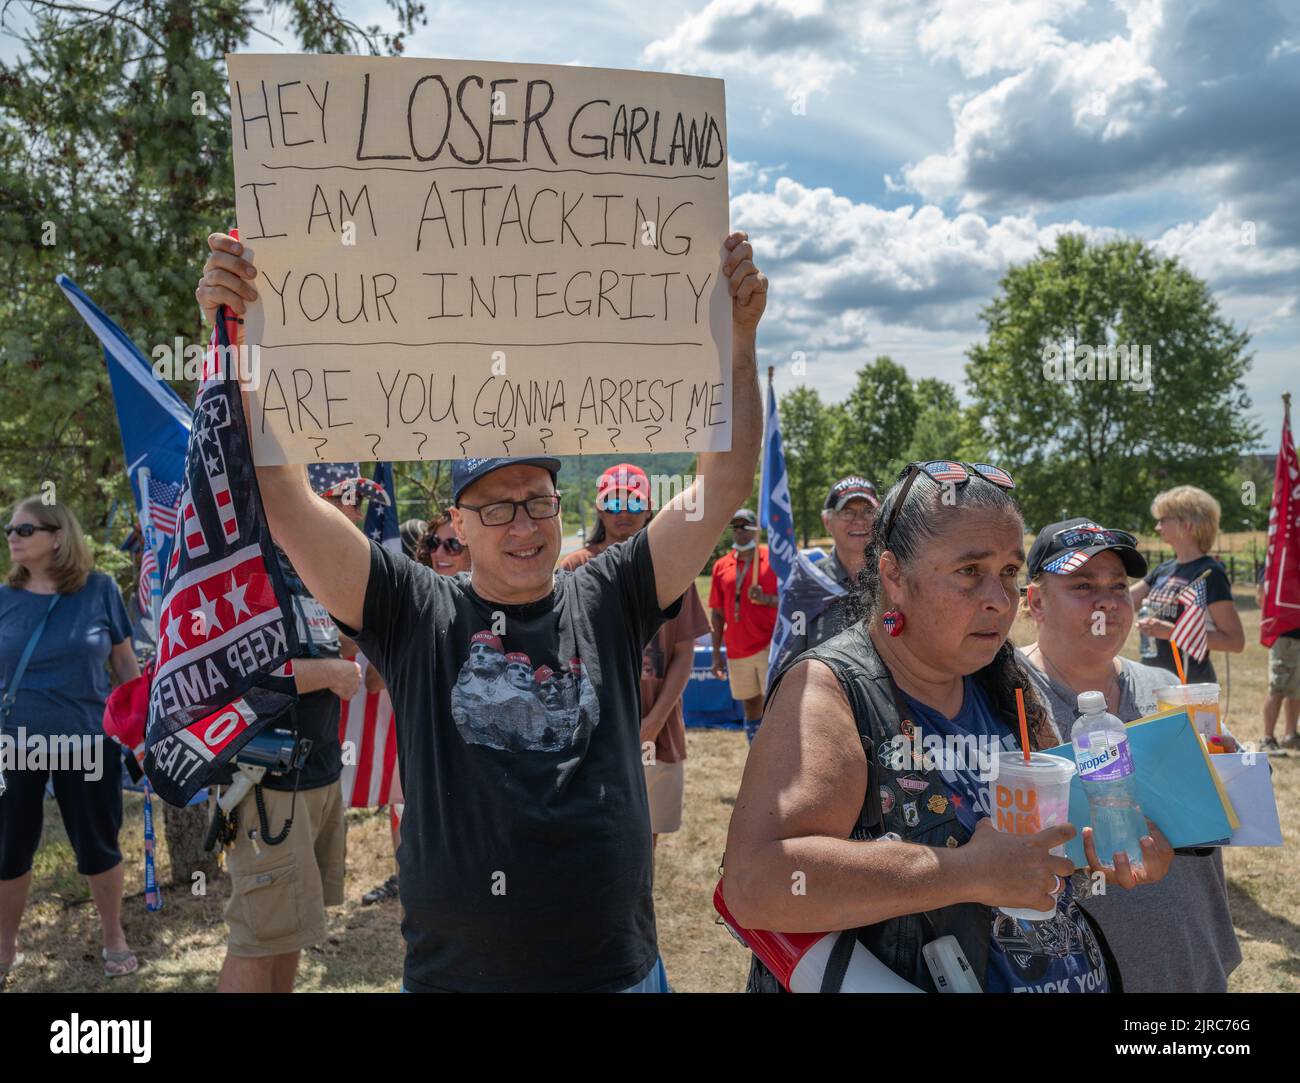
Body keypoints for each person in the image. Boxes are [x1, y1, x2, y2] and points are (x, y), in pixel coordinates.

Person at [195, 227, 767, 992]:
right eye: (495, 509)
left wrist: (736, 340)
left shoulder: (613, 591)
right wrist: (240, 339)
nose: (524, 526)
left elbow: (723, 481)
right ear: (455, 526)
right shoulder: (410, 608)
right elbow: (284, 497)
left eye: (535, 500)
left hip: (616, 973)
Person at [722, 462, 1172, 994]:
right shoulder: (831, 689)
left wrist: (1112, 849)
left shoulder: (1006, 681)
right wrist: (964, 873)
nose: (999, 601)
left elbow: (1050, 845)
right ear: (894, 576)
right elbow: (757, 884)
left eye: (1007, 571)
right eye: (968, 572)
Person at [1019, 517, 1240, 992]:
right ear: (1036, 601)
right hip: (1078, 977)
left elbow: (1218, 827)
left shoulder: (1167, 690)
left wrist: (1233, 776)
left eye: (1118, 586)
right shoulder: (1003, 697)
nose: (1107, 602)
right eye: (1082, 585)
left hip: (1194, 965)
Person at [215, 463, 369, 993]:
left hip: (318, 771)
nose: (356, 515)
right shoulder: (252, 569)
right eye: (347, 501)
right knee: (257, 937)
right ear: (309, 500)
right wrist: (330, 673)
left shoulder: (317, 570)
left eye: (361, 505)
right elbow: (234, 679)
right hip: (266, 779)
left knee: (290, 927)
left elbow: (335, 649)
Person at [0, 497, 140, 982]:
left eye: (23, 528)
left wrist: (138, 730)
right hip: (13, 746)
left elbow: (124, 667)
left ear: (58, 536)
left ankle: (113, 936)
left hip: (88, 742)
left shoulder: (100, 591)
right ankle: (4, 948)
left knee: (99, 845)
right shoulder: (4, 599)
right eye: (9, 530)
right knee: (8, 848)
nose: (12, 536)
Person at [560, 464, 711, 860]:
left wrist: (655, 721)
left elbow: (682, 652)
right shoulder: (573, 568)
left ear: (649, 509)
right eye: (612, 500)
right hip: (589, 727)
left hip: (655, 729)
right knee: (588, 834)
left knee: (645, 836)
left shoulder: (672, 568)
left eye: (633, 500)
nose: (622, 510)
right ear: (598, 508)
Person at [361, 509, 471, 907]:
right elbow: (374, 681)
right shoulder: (414, 603)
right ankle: (407, 880)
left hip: (472, 753)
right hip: (418, 740)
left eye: (453, 544)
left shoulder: (494, 603)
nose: (440, 552)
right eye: (432, 544)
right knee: (407, 815)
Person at [1131, 485, 1244, 684]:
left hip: (1191, 685)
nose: (1157, 527)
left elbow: (1235, 641)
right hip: (1153, 682)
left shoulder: (1210, 573)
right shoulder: (1162, 569)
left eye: (1163, 520)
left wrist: (1172, 633)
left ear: (1187, 524)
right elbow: (1126, 600)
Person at [780, 475, 879, 661]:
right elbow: (791, 660)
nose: (859, 520)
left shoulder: (896, 577)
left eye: (868, 511)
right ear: (827, 522)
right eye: (847, 511)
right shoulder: (805, 584)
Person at [709, 508, 778, 741]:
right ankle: (755, 751)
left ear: (756, 530)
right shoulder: (721, 566)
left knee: (776, 703)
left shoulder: (773, 558)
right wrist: (716, 654)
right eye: (735, 527)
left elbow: (792, 601)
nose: (739, 532)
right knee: (750, 704)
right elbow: (717, 614)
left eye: (745, 526)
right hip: (737, 647)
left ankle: (778, 753)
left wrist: (767, 600)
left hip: (770, 645)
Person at [1257, 569, 1300, 751]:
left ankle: (1290, 735)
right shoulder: (1282, 558)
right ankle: (1267, 738)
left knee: (1296, 688)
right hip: (1284, 636)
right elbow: (1260, 595)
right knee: (1278, 687)